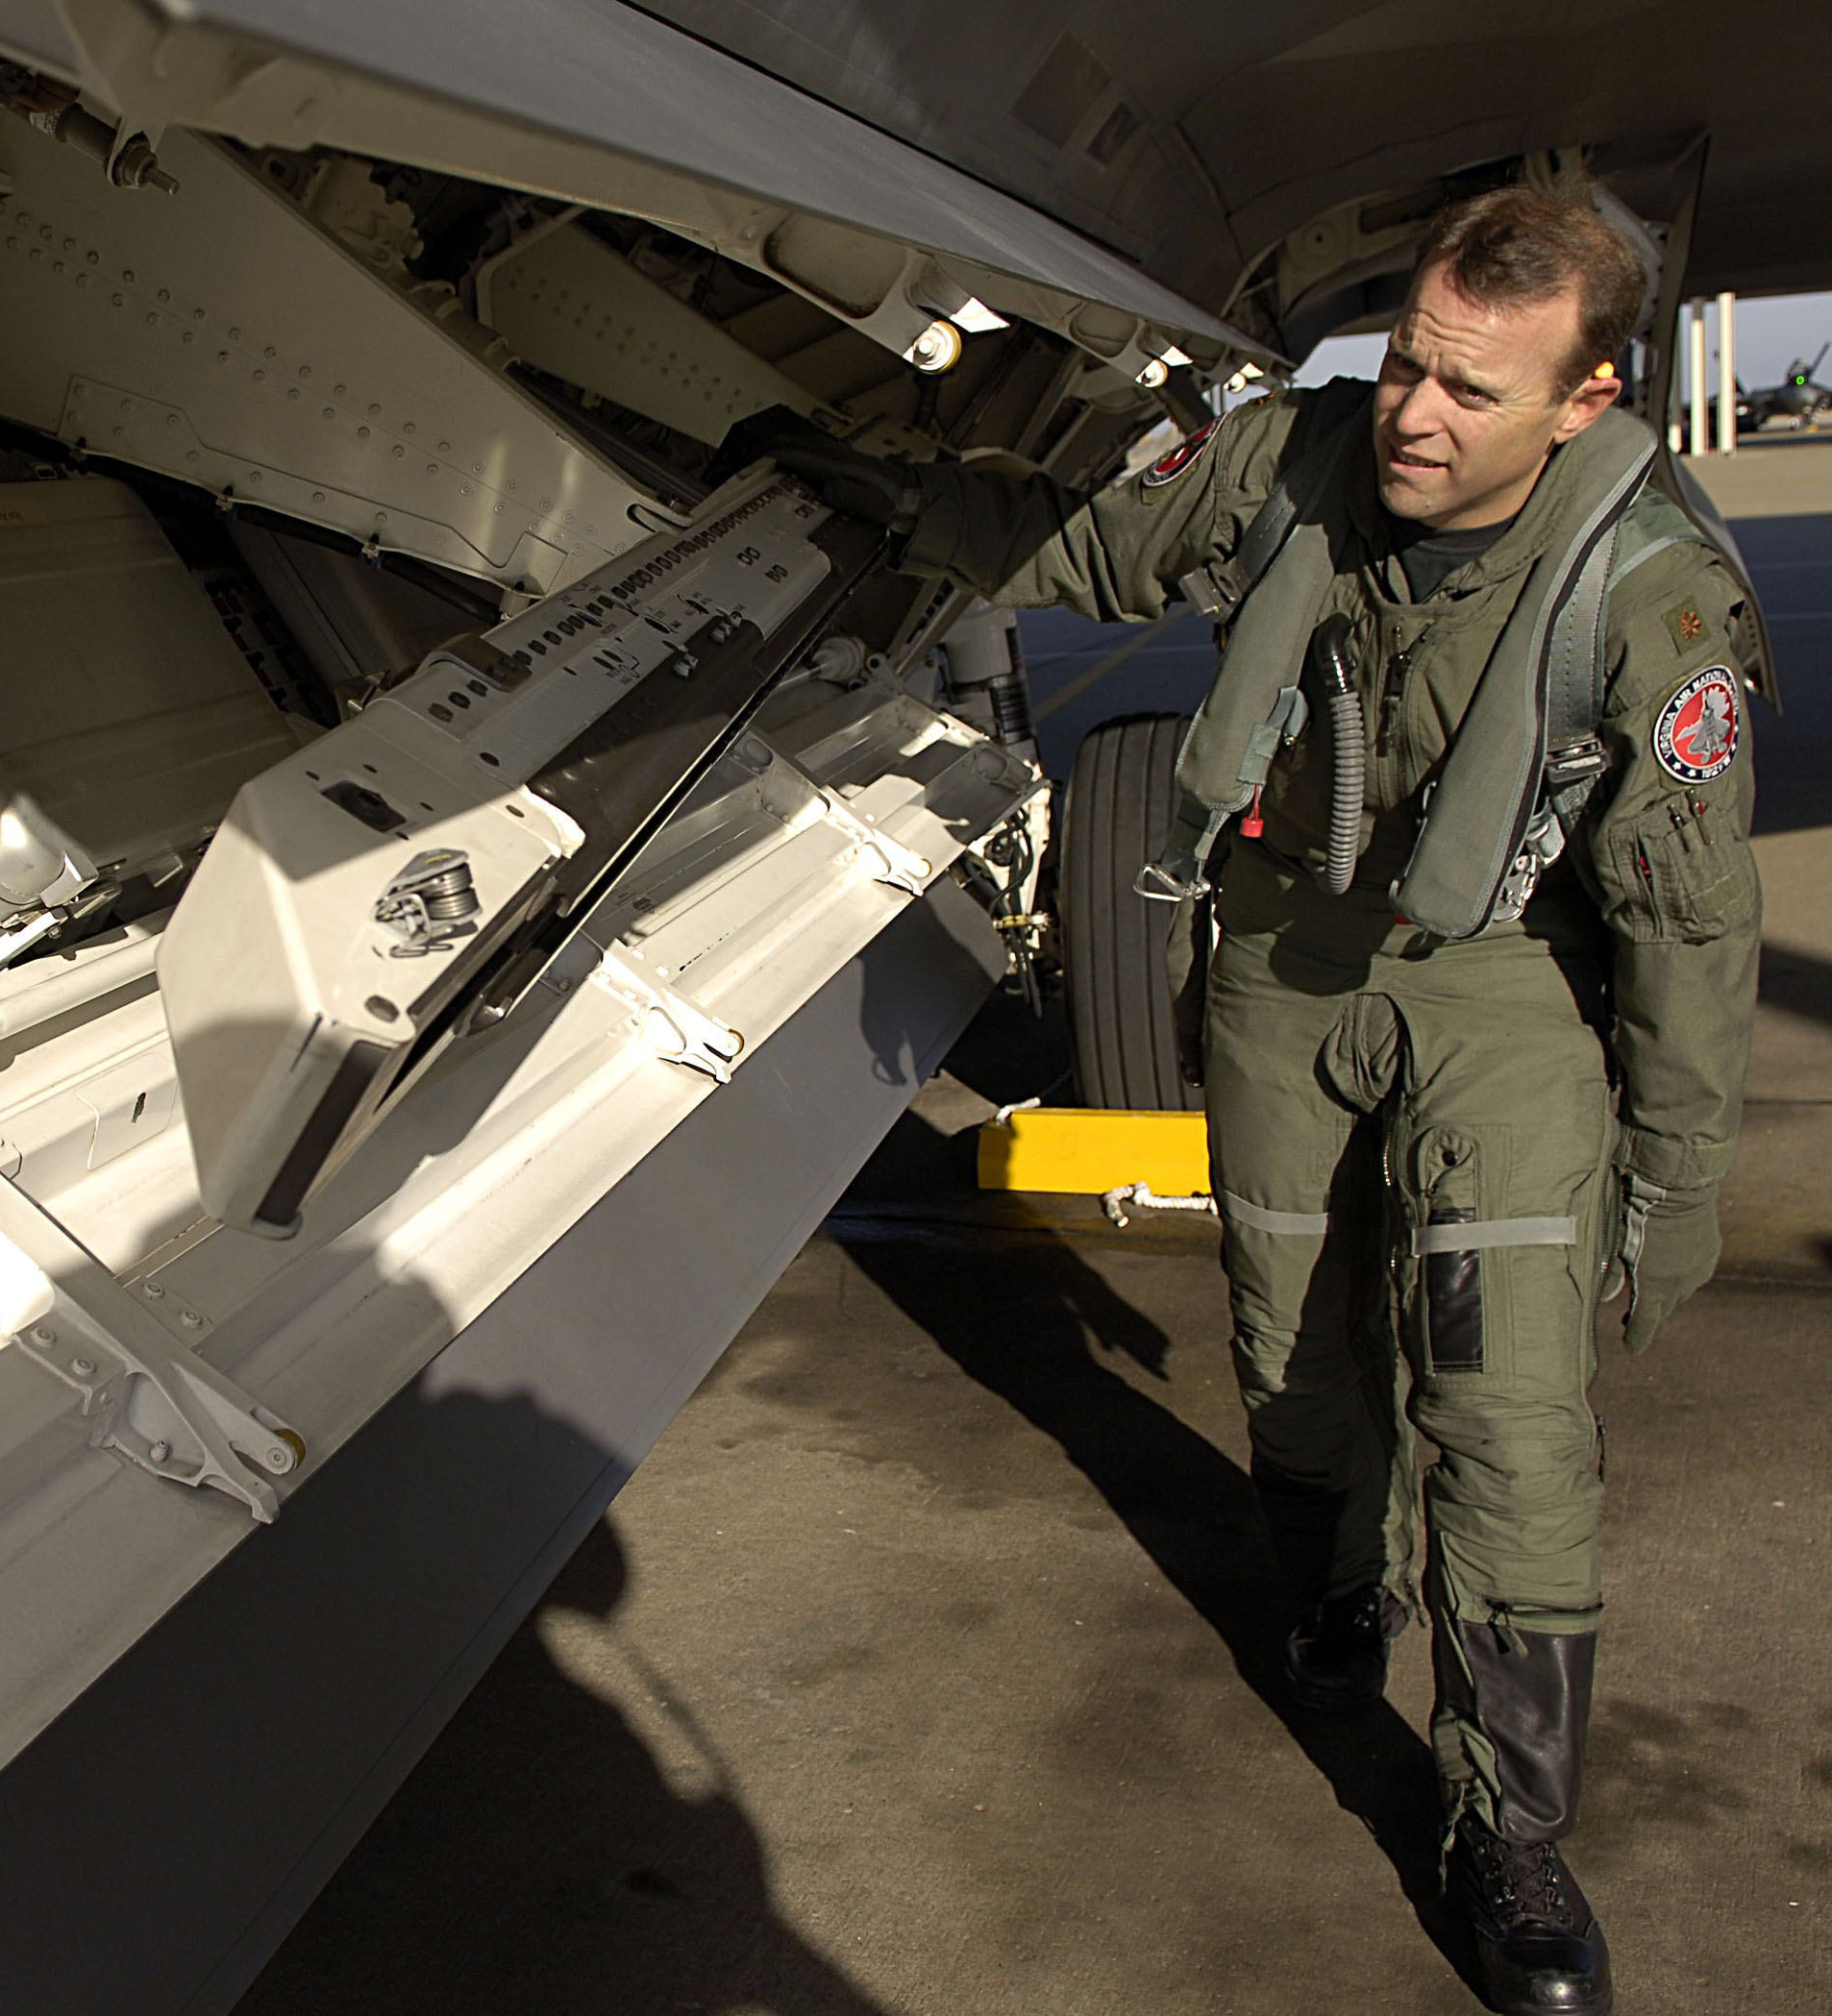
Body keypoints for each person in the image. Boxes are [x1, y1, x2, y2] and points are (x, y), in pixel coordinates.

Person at [753, 184, 1763, 2016]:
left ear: (1587, 400)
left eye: (1471, 390)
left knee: (1506, 1409)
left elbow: (1690, 920)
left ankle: (1508, 1826)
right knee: (1289, 1328)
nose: (1415, 416)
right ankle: (1336, 1587)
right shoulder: (1296, 461)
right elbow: (1083, 539)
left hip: (1503, 988)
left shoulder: (1657, 596)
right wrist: (876, 486)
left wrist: (1675, 1176)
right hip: (1286, 953)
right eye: (1406, 365)